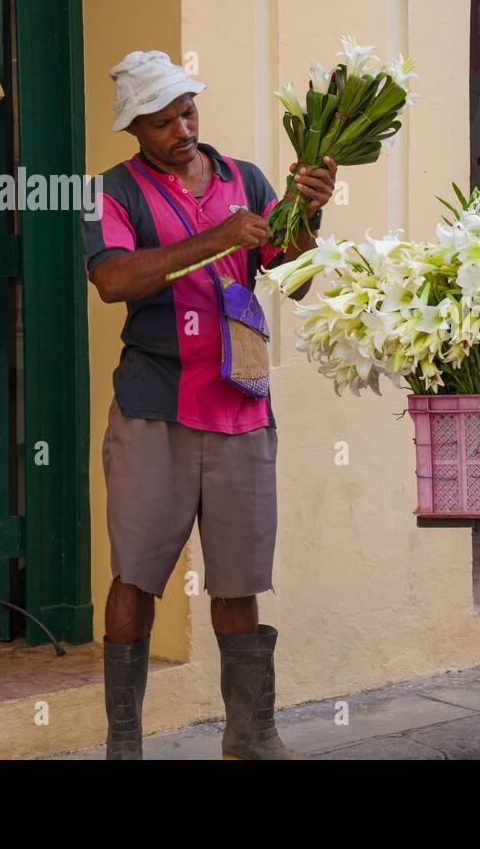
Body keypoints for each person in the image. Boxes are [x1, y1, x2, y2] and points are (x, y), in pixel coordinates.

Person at [82, 50, 335, 759]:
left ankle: (251, 734)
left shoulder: (245, 180)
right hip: (152, 406)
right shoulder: (108, 192)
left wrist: (306, 208)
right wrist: (216, 239)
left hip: (240, 404)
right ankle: (123, 742)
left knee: (238, 579)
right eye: (161, 123)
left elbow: (297, 279)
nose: (181, 130)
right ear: (133, 129)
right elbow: (113, 280)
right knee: (135, 574)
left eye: (186, 112)